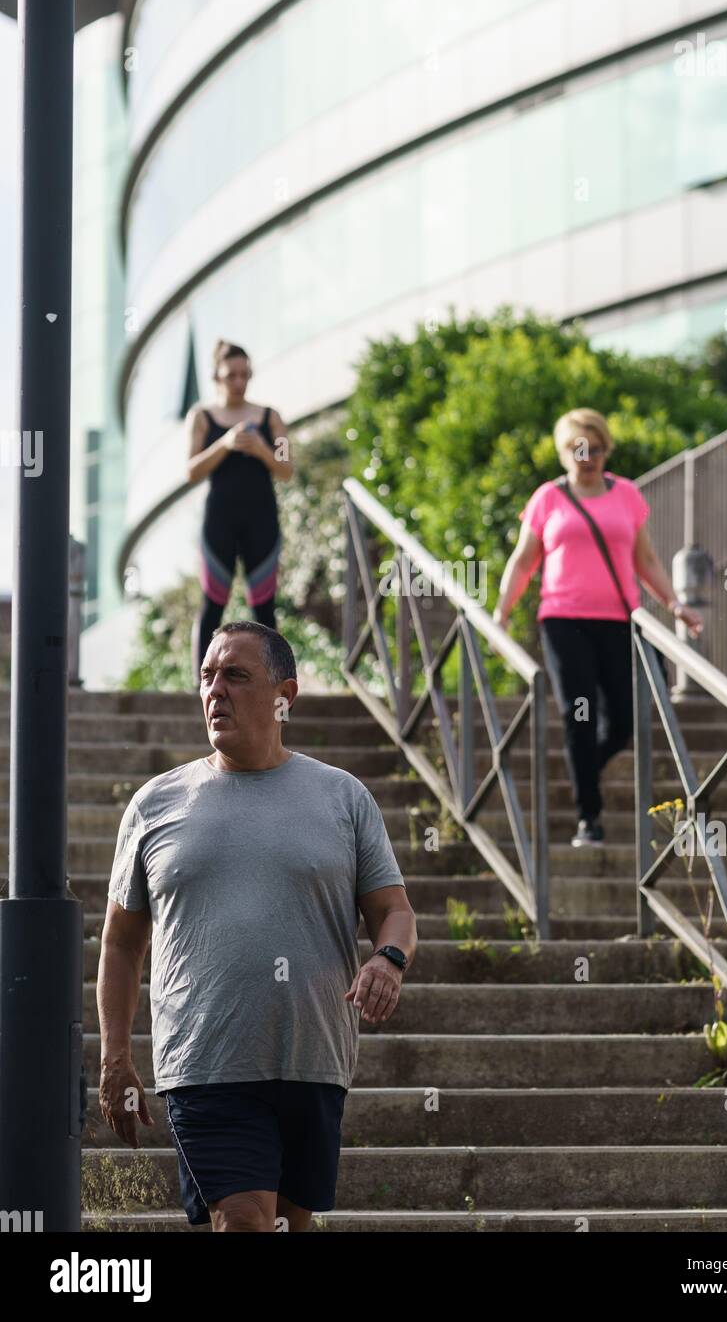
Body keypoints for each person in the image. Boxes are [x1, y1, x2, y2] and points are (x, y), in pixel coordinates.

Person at [97, 621, 416, 1233]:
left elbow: (394, 912)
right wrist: (116, 1056)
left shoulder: (342, 798)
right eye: (207, 677)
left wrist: (389, 959)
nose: (215, 690)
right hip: (205, 1061)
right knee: (243, 1220)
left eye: (236, 676)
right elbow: (121, 941)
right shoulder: (156, 804)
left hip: (314, 1058)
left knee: (290, 1226)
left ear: (283, 695)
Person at [493, 408, 702, 847]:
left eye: (596, 448)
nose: (587, 457)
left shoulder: (626, 495)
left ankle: (582, 767)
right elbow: (525, 561)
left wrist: (675, 604)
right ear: (564, 452)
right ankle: (589, 817)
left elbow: (645, 559)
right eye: (577, 449)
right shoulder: (548, 498)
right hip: (565, 621)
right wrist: (502, 611)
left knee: (625, 719)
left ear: (607, 449)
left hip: (619, 621)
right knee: (579, 712)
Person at [186, 339, 294, 680]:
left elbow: (287, 468)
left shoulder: (270, 416)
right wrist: (225, 443)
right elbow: (191, 471)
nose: (239, 381)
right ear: (216, 376)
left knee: (264, 606)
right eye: (231, 374)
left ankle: (270, 684)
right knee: (212, 603)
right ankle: (201, 683)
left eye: (245, 374)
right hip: (219, 519)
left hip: (262, 518)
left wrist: (262, 449)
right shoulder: (201, 417)